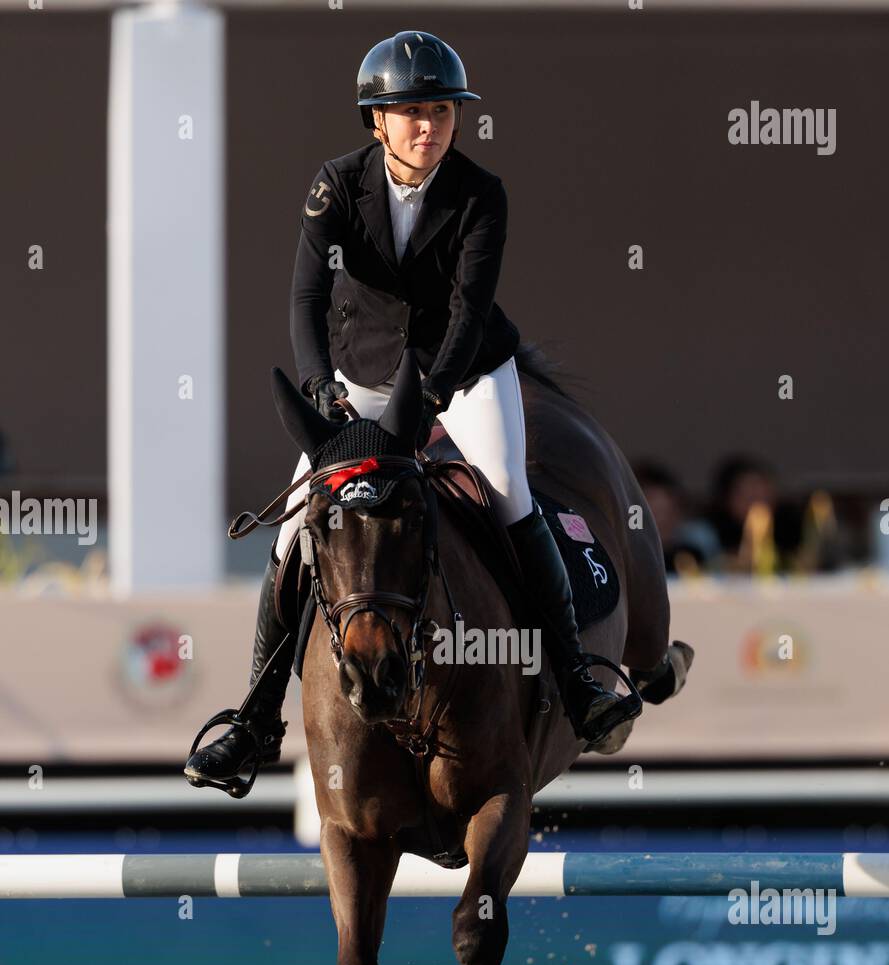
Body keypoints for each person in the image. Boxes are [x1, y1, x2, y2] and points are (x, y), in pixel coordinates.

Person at [185, 30, 639, 794]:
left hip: (463, 375)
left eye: (439, 110)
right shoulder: (335, 186)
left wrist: (432, 395)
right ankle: (257, 718)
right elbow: (306, 298)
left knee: (507, 494)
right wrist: (317, 380)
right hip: (360, 377)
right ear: (377, 121)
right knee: (298, 525)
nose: (428, 125)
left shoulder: (479, 193)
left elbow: (469, 310)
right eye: (410, 112)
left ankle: (578, 679)